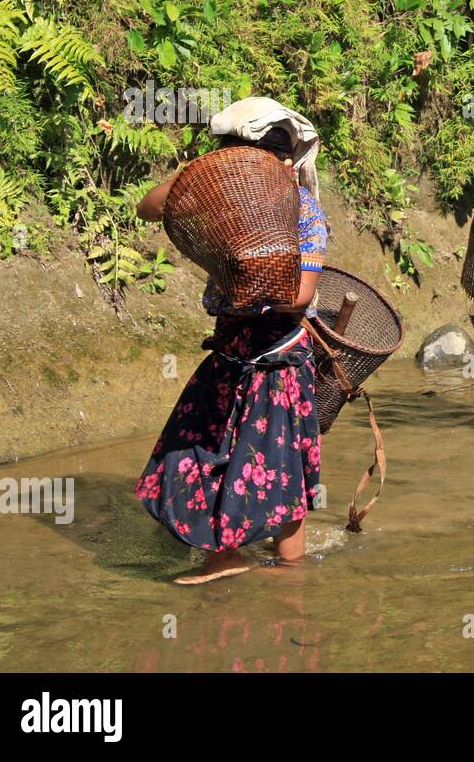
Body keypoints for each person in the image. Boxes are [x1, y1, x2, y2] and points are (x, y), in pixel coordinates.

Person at [134, 97, 328, 583]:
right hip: (229, 350)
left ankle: (287, 572)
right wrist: (201, 176)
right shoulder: (218, 202)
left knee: (280, 470)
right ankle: (229, 554)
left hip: (275, 358)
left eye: (254, 160)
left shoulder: (304, 211)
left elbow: (300, 295)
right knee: (197, 452)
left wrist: (254, 277)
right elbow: (148, 208)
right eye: (231, 158)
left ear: (284, 166)